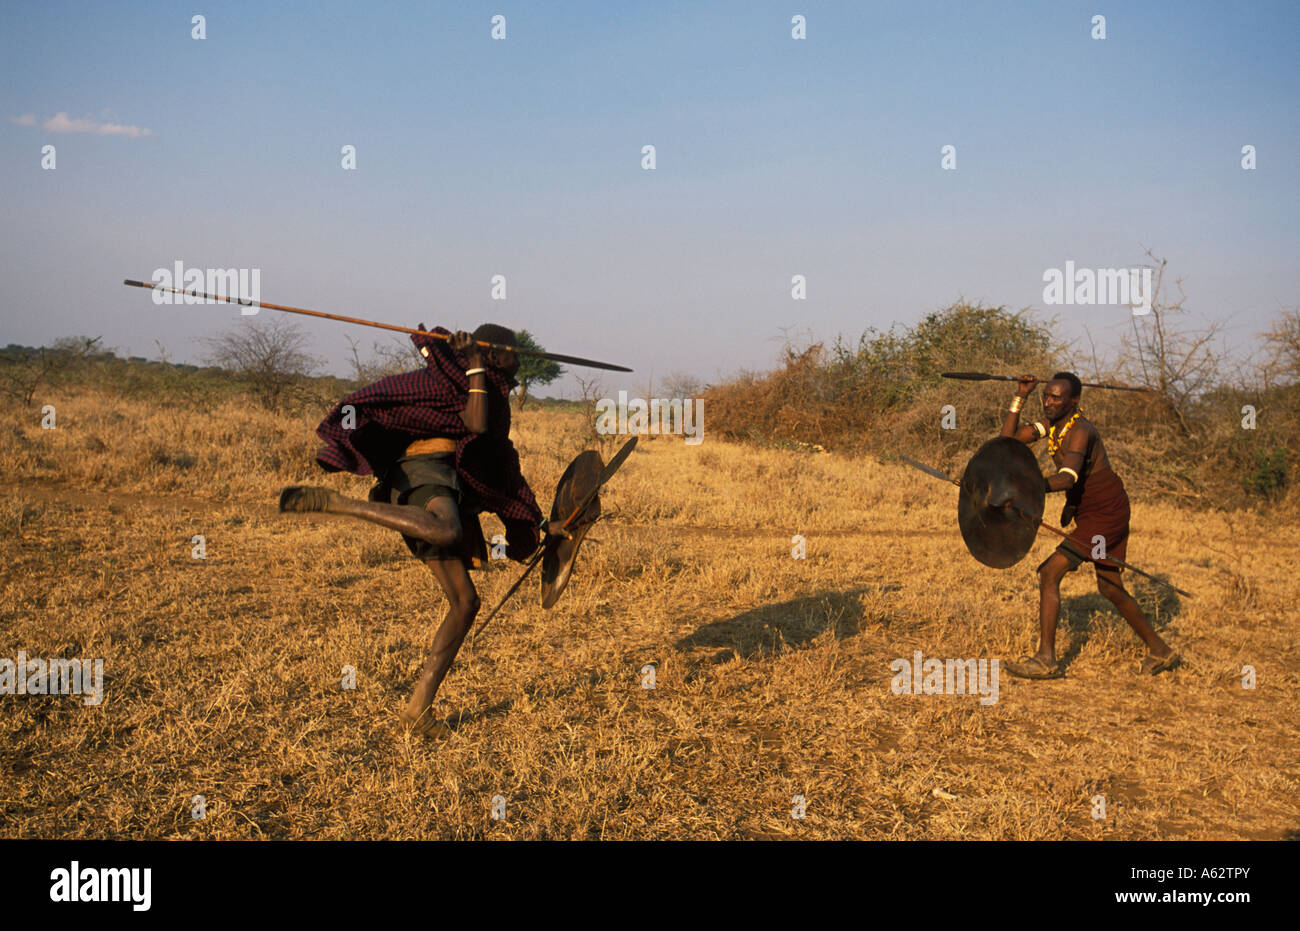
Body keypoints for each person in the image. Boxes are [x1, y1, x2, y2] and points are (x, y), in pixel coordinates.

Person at [279, 323, 569, 737]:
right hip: (421, 473)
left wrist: (541, 524)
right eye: (512, 351)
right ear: (493, 352)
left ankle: (418, 710)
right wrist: (471, 362)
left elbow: (498, 473)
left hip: (444, 484)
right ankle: (340, 504)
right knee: (448, 531)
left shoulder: (491, 393)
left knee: (466, 603)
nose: (519, 357)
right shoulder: (458, 380)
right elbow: (474, 424)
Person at [999, 372, 1180, 679]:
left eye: (1057, 397)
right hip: (1091, 511)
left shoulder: (1081, 430)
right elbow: (1006, 444)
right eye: (1047, 396)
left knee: (1049, 572)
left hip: (1106, 512)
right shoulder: (1052, 425)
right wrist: (1021, 396)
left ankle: (1046, 660)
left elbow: (1068, 477)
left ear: (1074, 401)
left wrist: (1030, 487)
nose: (1049, 402)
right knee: (1109, 587)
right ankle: (1162, 651)